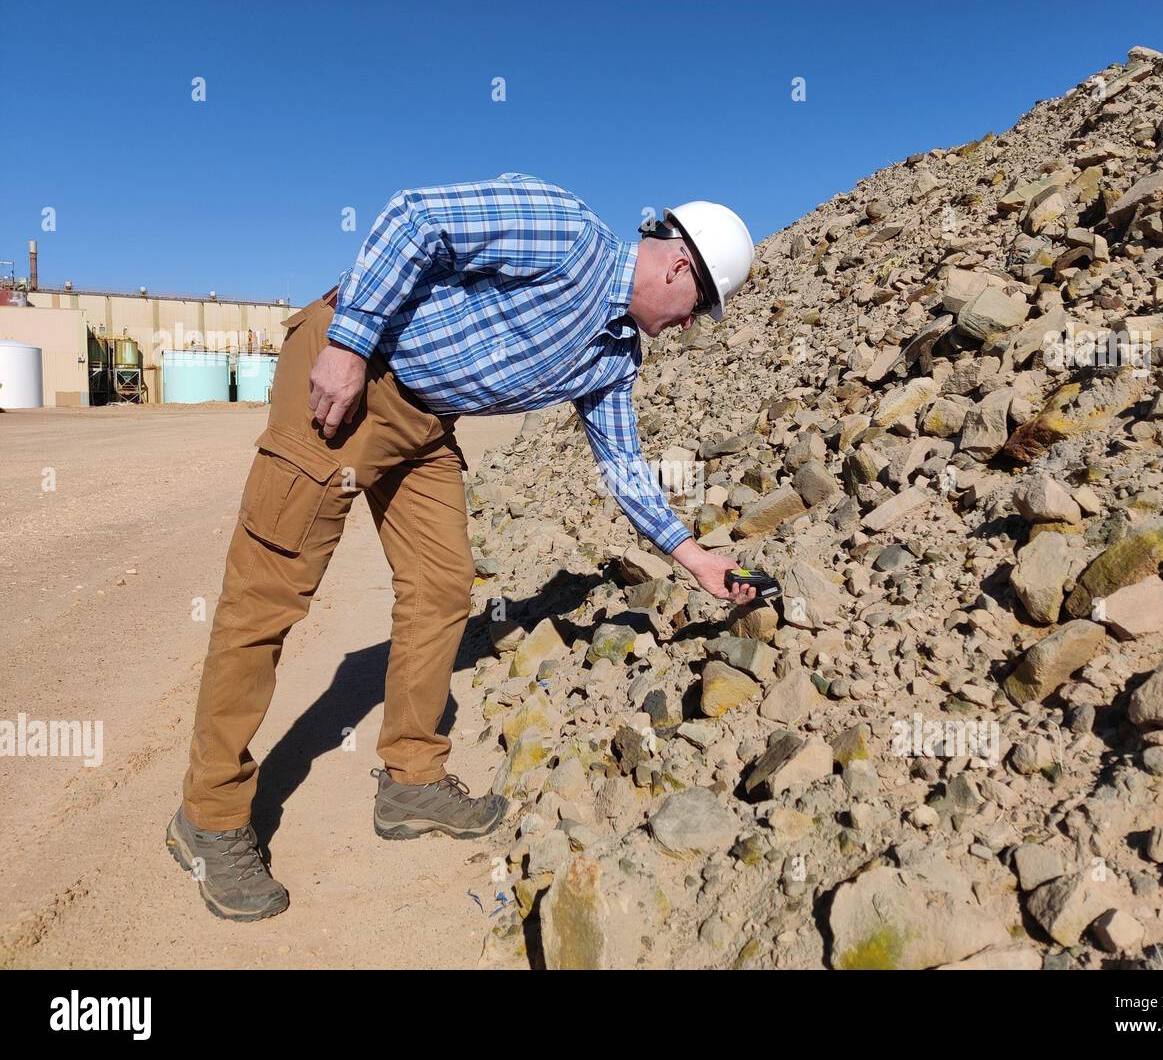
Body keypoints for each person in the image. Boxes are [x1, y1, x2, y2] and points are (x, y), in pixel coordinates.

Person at [166, 172, 756, 921]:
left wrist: (695, 556)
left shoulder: (614, 358)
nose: (691, 325)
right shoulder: (566, 232)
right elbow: (415, 217)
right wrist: (347, 345)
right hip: (354, 372)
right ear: (678, 267)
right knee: (269, 593)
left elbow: (624, 466)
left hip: (424, 422)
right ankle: (208, 815)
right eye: (699, 307)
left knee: (444, 586)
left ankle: (411, 778)